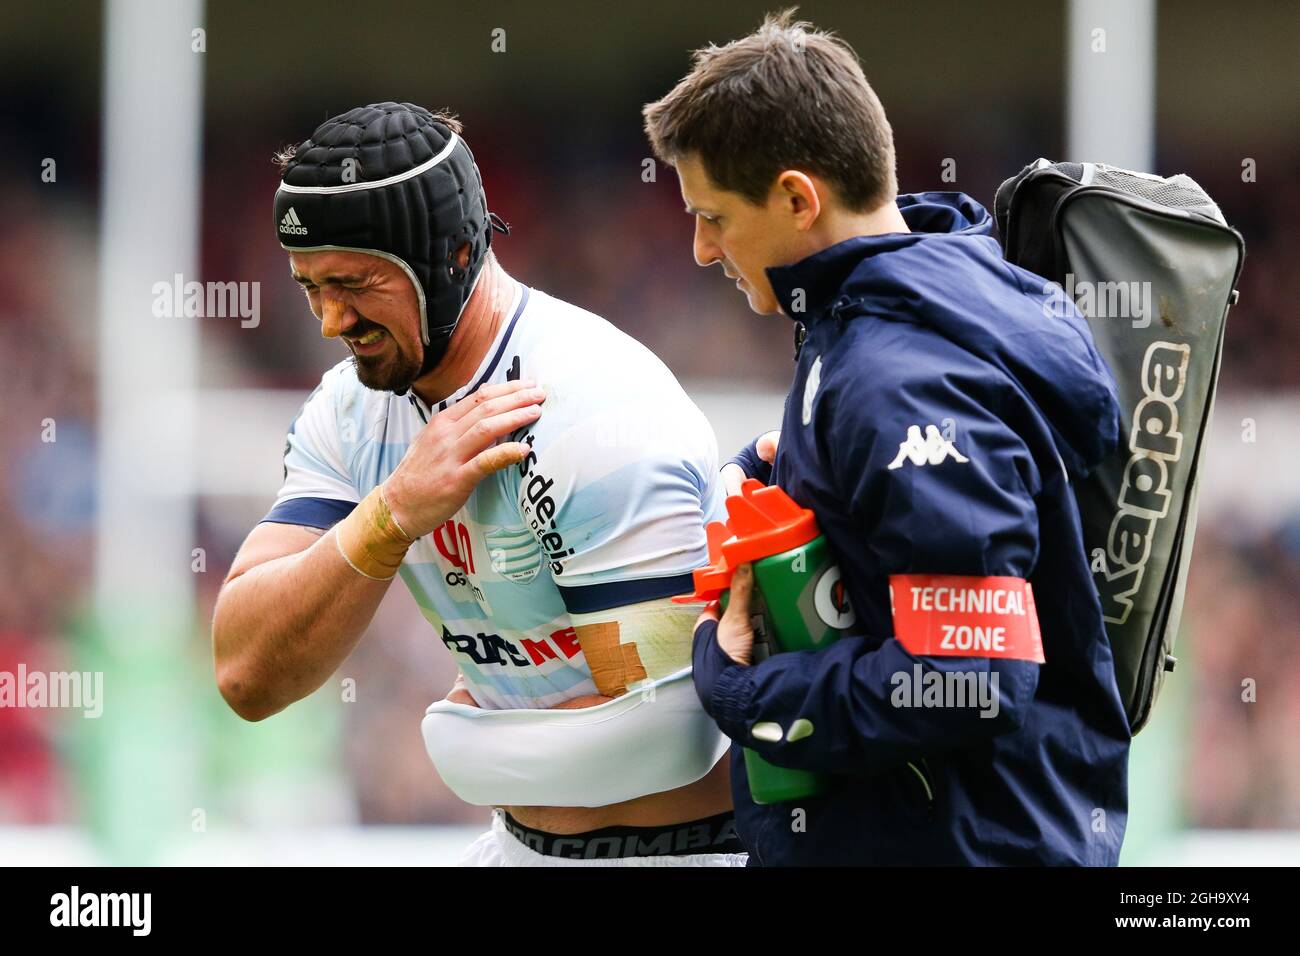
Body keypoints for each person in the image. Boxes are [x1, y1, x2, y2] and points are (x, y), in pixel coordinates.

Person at [642, 12, 1131, 865]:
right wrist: (789, 471)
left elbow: (969, 676)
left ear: (798, 199)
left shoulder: (896, 378)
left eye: (713, 216)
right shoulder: (916, 303)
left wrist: (750, 690)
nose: (698, 248)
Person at [212, 102, 745, 866]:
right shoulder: (347, 409)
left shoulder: (594, 407)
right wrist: (391, 515)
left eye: (355, 283)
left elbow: (666, 737)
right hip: (514, 845)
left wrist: (468, 745)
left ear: (455, 254)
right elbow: (246, 674)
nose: (332, 320)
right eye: (309, 286)